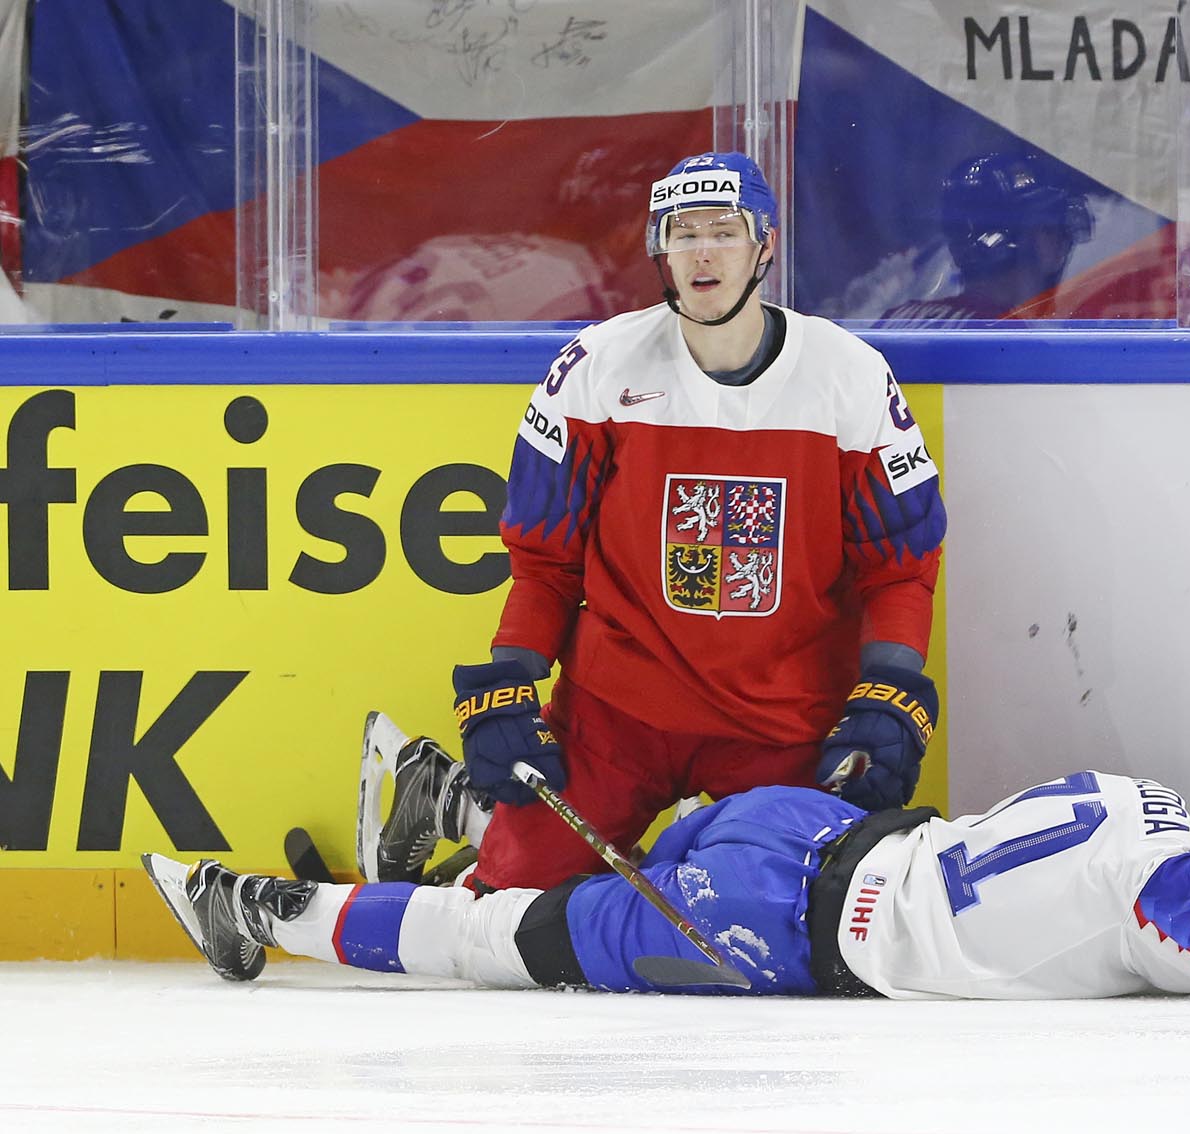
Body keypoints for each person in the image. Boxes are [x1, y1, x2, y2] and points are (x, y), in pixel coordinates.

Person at [363, 150, 948, 894]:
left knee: (798, 913)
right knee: (514, 903)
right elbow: (546, 565)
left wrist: (888, 690)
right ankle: (476, 815)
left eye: (724, 231)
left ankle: (456, 803)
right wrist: (508, 679)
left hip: (782, 719)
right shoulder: (597, 366)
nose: (703, 251)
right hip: (621, 713)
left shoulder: (850, 377)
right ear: (659, 249)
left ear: (765, 244)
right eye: (683, 232)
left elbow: (900, 568)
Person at [148, 769, 1190, 1000]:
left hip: (801, 821)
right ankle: (262, 911)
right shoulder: (1166, 898)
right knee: (499, 942)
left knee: (598, 847)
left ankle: (453, 798)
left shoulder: (1131, 793)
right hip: (776, 931)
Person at [883, 150, 1094, 325]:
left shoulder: (898, 319)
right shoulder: (1010, 340)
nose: (1063, 240)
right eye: (1049, 227)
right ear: (1003, 243)